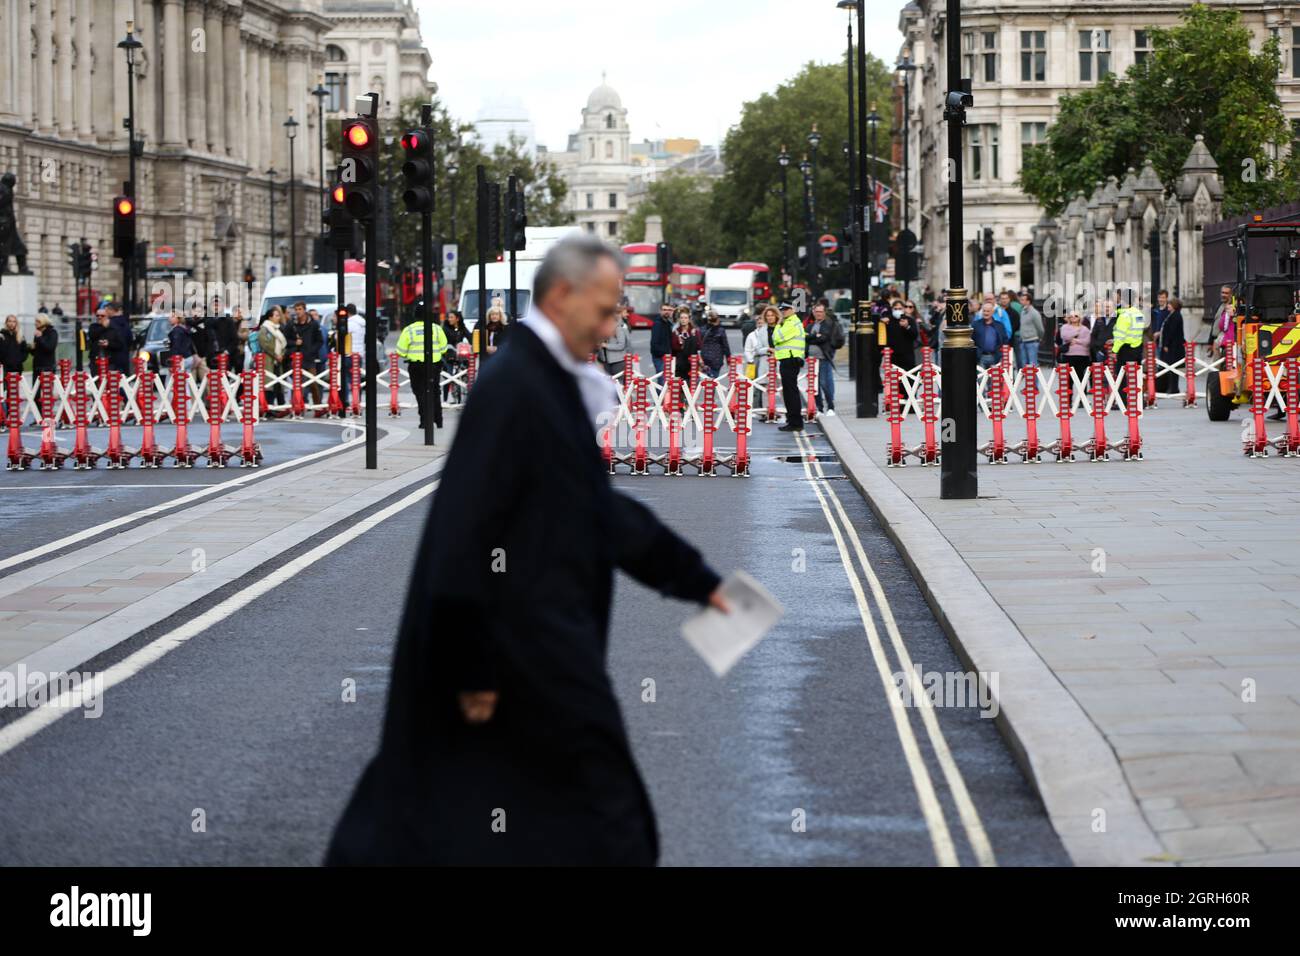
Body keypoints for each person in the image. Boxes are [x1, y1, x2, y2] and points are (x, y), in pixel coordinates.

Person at [325, 235, 728, 866]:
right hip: (518, 644)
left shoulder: (546, 380)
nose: (612, 325)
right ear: (562, 296)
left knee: (464, 804)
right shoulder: (516, 388)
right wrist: (473, 670)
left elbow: (596, 509)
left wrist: (697, 582)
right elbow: (465, 531)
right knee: (605, 817)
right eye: (603, 309)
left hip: (537, 636)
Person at [395, 311, 448, 431]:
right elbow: (444, 348)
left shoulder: (409, 330)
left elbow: (400, 351)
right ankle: (438, 420)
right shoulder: (437, 328)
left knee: (420, 392)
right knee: (435, 391)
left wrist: (409, 352)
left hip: (416, 366)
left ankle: (424, 420)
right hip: (434, 364)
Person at [772, 301, 806, 431]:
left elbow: (776, 338)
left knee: (791, 392)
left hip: (790, 360)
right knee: (789, 392)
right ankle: (793, 420)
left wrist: (778, 325)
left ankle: (795, 423)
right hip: (788, 359)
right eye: (782, 309)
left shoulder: (791, 323)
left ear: (793, 310)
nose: (783, 311)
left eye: (786, 309)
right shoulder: (788, 322)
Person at [806, 301, 843, 415]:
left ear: (824, 313)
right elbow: (805, 339)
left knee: (824, 383)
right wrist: (814, 336)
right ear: (813, 312)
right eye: (816, 312)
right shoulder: (810, 326)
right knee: (814, 385)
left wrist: (811, 337)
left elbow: (823, 338)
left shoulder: (828, 324)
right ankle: (820, 408)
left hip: (823, 358)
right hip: (811, 360)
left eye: (821, 312)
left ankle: (830, 408)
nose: (818, 314)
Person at [286, 301, 324, 409]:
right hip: (296, 358)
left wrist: (312, 350)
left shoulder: (313, 324)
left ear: (304, 310)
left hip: (309, 357)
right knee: (297, 383)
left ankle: (318, 407)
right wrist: (294, 343)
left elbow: (319, 341)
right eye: (296, 309)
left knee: (314, 383)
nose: (298, 312)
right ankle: (297, 406)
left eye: (300, 309)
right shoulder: (291, 324)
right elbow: (286, 340)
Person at [257, 308, 288, 407]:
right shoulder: (264, 328)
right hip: (268, 360)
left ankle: (281, 405)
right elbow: (264, 344)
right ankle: (268, 405)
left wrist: (281, 354)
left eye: (279, 315)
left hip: (278, 360)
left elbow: (283, 344)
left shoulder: (278, 328)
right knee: (269, 384)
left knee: (279, 382)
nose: (278, 317)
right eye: (276, 315)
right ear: (270, 317)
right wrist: (275, 355)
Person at [1058, 311, 1092, 398]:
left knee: (1081, 378)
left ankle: (1082, 399)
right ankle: (1068, 400)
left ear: (1079, 317)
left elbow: (1087, 342)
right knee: (1068, 379)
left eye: (1076, 316)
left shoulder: (1085, 329)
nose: (1073, 318)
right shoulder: (1065, 327)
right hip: (1068, 356)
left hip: (1082, 356)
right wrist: (1076, 332)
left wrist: (1076, 340)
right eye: (1071, 316)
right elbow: (1064, 336)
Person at [744, 305, 779, 383]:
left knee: (782, 387)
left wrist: (776, 352)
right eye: (768, 316)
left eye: (772, 315)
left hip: (780, 361)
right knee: (763, 385)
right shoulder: (761, 331)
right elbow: (758, 349)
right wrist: (768, 349)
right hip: (765, 361)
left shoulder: (782, 329)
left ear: (776, 316)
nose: (770, 317)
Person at [1158, 297, 1186, 395]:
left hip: (1174, 347)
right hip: (1173, 346)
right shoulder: (1172, 315)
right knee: (1171, 367)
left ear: (1174, 305)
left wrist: (1166, 344)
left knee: (1173, 367)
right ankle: (1171, 387)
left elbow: (1171, 332)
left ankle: (1174, 388)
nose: (1168, 305)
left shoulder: (1176, 316)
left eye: (1170, 304)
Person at [973, 301, 1009, 371]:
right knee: (982, 380)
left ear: (992, 312)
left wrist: (1001, 355)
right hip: (980, 357)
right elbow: (971, 341)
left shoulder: (999, 325)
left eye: (988, 311)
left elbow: (1005, 341)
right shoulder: (975, 325)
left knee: (994, 380)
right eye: (984, 311)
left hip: (995, 357)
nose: (986, 313)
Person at [884, 298, 917, 371]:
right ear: (892, 309)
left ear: (903, 309)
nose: (897, 310)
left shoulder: (909, 320)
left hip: (907, 355)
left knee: (908, 378)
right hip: (893, 355)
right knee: (894, 379)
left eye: (900, 308)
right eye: (895, 308)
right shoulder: (888, 321)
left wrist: (907, 327)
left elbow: (914, 335)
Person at [600, 302, 631, 378]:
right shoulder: (603, 328)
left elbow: (621, 345)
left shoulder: (618, 328)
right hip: (605, 361)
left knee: (618, 385)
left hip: (618, 361)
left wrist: (605, 345)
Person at [670, 306, 702, 379]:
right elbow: (673, 347)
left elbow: (699, 346)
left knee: (693, 386)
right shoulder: (676, 332)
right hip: (680, 362)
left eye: (685, 318)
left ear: (689, 319)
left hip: (692, 362)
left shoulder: (694, 331)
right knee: (679, 385)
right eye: (681, 318)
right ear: (679, 319)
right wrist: (680, 343)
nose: (683, 320)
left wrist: (700, 360)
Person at [698, 310, 731, 377]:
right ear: (717, 319)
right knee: (714, 379)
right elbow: (725, 346)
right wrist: (728, 359)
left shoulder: (701, 330)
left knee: (703, 379)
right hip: (716, 359)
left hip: (704, 358)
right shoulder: (720, 330)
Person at [1017, 291, 1045, 370]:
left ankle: (1035, 383)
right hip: (1023, 341)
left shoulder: (1034, 313)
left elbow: (1040, 329)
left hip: (1032, 342)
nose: (1020, 301)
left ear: (1028, 301)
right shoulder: (1022, 311)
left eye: (1023, 300)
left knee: (1032, 365)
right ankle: (1028, 382)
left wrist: (1039, 338)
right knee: (1024, 365)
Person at [30, 315, 57, 383]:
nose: (35, 323)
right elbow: (34, 353)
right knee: (36, 392)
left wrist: (40, 338)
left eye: (38, 321)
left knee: (47, 392)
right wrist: (31, 348)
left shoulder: (52, 332)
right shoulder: (38, 333)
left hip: (48, 367)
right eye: (35, 321)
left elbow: (50, 348)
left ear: (44, 322)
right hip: (37, 367)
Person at [649, 301, 673, 375]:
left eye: (669, 310)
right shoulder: (657, 324)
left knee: (667, 380)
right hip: (660, 357)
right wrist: (665, 353)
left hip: (667, 356)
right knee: (662, 380)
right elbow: (654, 343)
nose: (667, 312)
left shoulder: (668, 323)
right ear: (660, 311)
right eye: (664, 310)